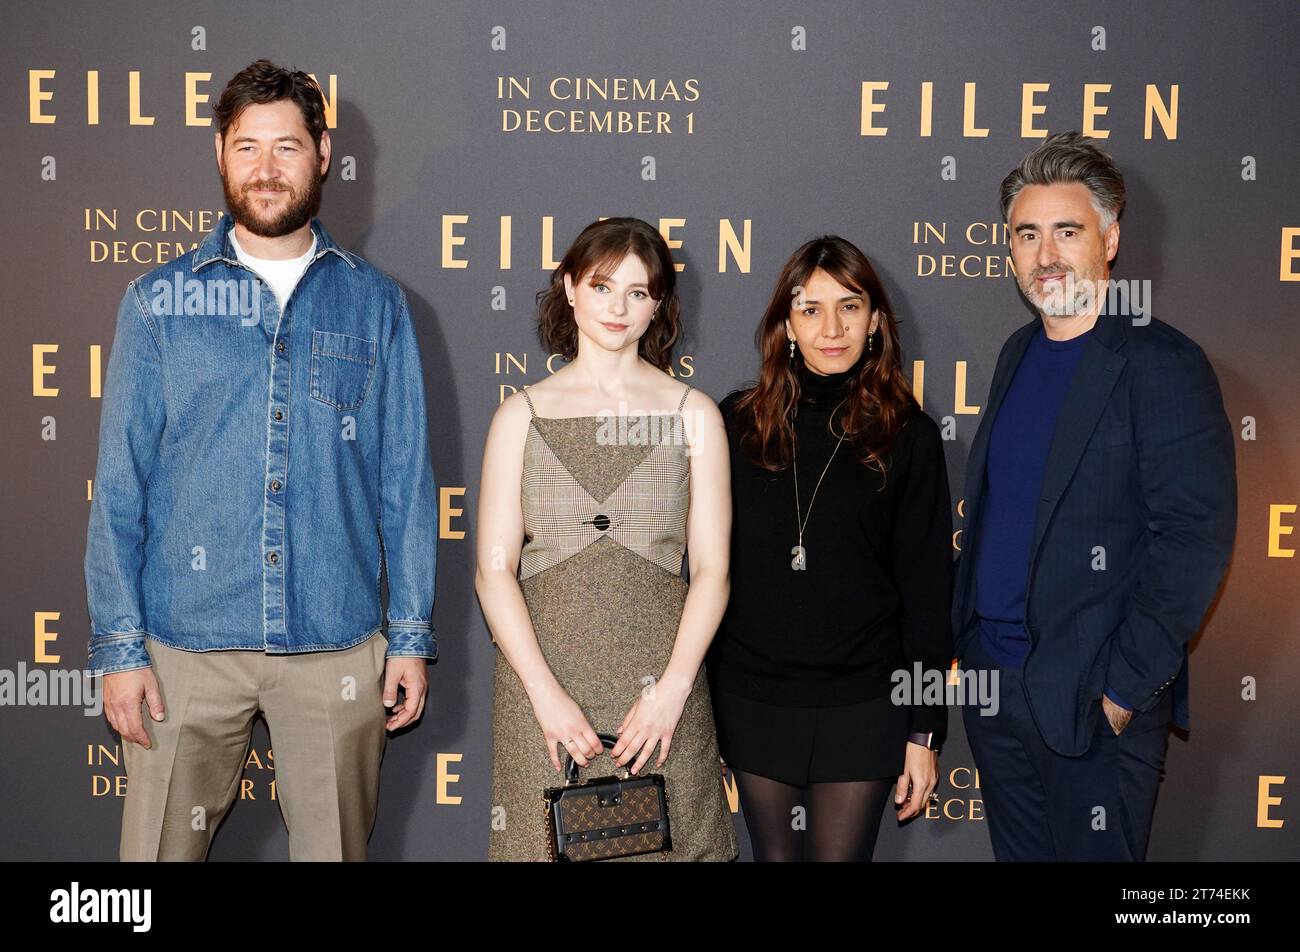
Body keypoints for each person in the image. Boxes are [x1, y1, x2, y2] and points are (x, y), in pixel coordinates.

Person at [84, 60, 438, 861]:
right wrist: (120, 649)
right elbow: (120, 490)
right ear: (220, 153)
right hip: (184, 646)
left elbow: (406, 485)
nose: (266, 168)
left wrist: (409, 635)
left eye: (286, 146)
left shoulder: (376, 304)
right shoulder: (157, 302)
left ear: (323, 154)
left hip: (336, 643)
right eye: (247, 147)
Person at [953, 131, 1236, 861]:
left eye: (1067, 231)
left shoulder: (1161, 361)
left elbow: (1194, 539)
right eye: (1027, 234)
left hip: (1090, 701)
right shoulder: (1018, 352)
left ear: (1109, 239)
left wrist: (1119, 693)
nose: (1045, 255)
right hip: (998, 692)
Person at [475, 217, 738, 861]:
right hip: (543, 683)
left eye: (640, 292)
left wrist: (671, 692)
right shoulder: (520, 416)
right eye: (602, 286)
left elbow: (711, 570)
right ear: (569, 289)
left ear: (659, 305)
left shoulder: (694, 414)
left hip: (663, 685)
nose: (619, 308)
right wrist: (546, 695)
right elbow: (492, 570)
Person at [706, 236, 954, 861]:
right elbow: (701, 568)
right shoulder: (732, 424)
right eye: (810, 309)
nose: (832, 327)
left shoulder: (910, 436)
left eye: (850, 306)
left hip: (866, 700)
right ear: (785, 324)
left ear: (875, 321)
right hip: (752, 693)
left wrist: (925, 729)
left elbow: (927, 593)